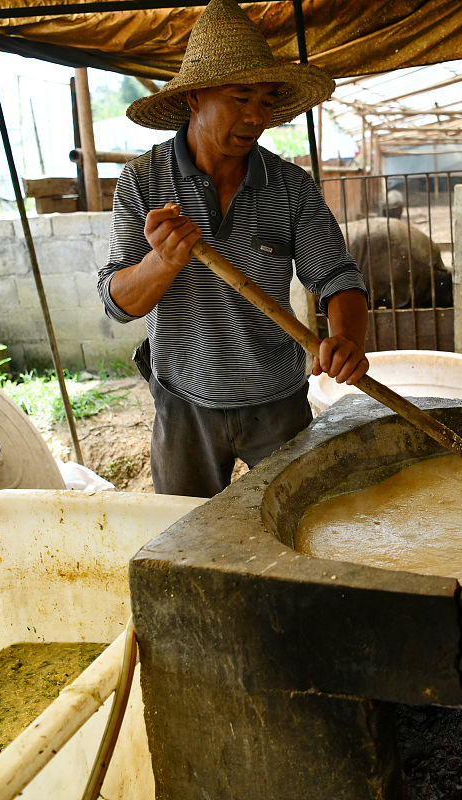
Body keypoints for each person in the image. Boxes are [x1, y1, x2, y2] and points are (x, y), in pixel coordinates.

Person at [97, 0, 369, 498]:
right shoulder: (142, 181)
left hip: (278, 402)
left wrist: (347, 338)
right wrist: (164, 261)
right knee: (187, 529)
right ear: (194, 97)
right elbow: (119, 303)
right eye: (240, 97)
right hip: (183, 404)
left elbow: (336, 276)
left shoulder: (290, 186)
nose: (256, 116)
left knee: (300, 518)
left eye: (266, 101)